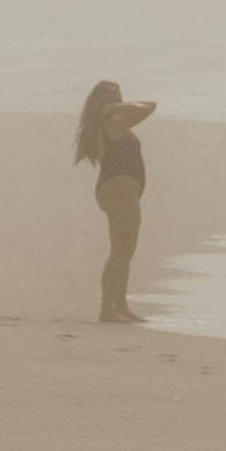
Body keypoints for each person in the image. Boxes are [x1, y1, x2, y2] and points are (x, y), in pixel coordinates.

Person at [72, 77, 156, 322]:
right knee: (121, 250)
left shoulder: (107, 123)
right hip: (120, 190)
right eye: (115, 97)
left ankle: (120, 306)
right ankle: (108, 310)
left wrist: (112, 106)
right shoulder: (113, 123)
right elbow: (149, 107)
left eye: (120, 97)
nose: (120, 101)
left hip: (119, 190)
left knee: (125, 249)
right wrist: (115, 108)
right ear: (104, 102)